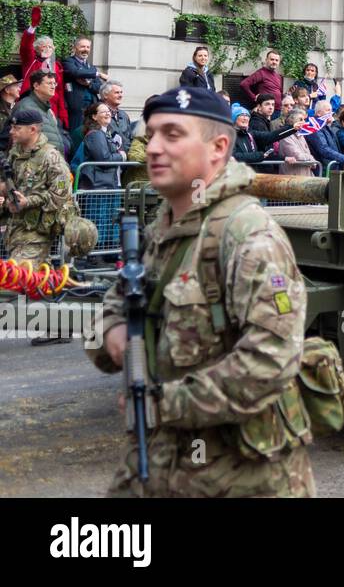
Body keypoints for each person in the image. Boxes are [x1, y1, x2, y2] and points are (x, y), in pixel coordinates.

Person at [85, 85, 315, 496]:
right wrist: (111, 332)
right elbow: (115, 303)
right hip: (160, 465)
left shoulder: (247, 236)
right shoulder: (163, 228)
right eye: (150, 133)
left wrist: (162, 404)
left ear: (218, 147)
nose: (152, 147)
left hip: (240, 477)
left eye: (172, 135)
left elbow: (272, 360)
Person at [0, 105, 73, 266]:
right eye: (11, 127)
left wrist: (28, 201)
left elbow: (60, 194)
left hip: (37, 232)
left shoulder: (51, 157)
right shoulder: (14, 154)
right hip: (15, 230)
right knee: (36, 283)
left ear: (32, 129)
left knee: (18, 276)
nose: (11, 131)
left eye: (17, 128)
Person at [19, 7, 68, 129]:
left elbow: (60, 91)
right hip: (35, 105)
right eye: (44, 46)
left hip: (54, 109)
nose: (47, 49)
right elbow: (25, 47)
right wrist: (33, 27)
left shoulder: (56, 66)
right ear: (37, 49)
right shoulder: (31, 60)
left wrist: (63, 116)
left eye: (50, 46)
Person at [64, 35, 107, 159]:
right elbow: (76, 72)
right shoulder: (69, 62)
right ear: (75, 47)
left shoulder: (91, 67)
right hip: (76, 109)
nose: (85, 49)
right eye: (82, 46)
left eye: (88, 47)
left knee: (90, 137)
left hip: (92, 110)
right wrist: (97, 74)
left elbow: (98, 87)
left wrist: (88, 83)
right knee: (75, 138)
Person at [12, 69, 66, 156]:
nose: (53, 87)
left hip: (50, 163)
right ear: (36, 85)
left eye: (54, 83)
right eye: (49, 83)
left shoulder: (47, 109)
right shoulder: (26, 107)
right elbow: (19, 143)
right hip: (35, 166)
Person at [79, 102, 126, 189]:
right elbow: (104, 159)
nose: (108, 113)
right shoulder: (96, 134)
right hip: (99, 185)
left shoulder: (105, 133)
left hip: (105, 183)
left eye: (108, 111)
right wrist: (121, 156)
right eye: (103, 112)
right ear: (94, 117)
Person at [274, 109, 317, 176]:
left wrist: (312, 161)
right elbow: (297, 156)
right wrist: (312, 160)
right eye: (300, 119)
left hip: (305, 176)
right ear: (292, 121)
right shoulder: (286, 136)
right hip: (292, 178)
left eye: (304, 119)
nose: (304, 122)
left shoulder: (300, 135)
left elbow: (306, 153)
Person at [101, 80, 132, 158]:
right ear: (105, 95)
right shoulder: (99, 114)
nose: (120, 95)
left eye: (121, 92)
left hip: (126, 161)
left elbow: (129, 138)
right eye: (117, 93)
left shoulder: (124, 115)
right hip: (109, 161)